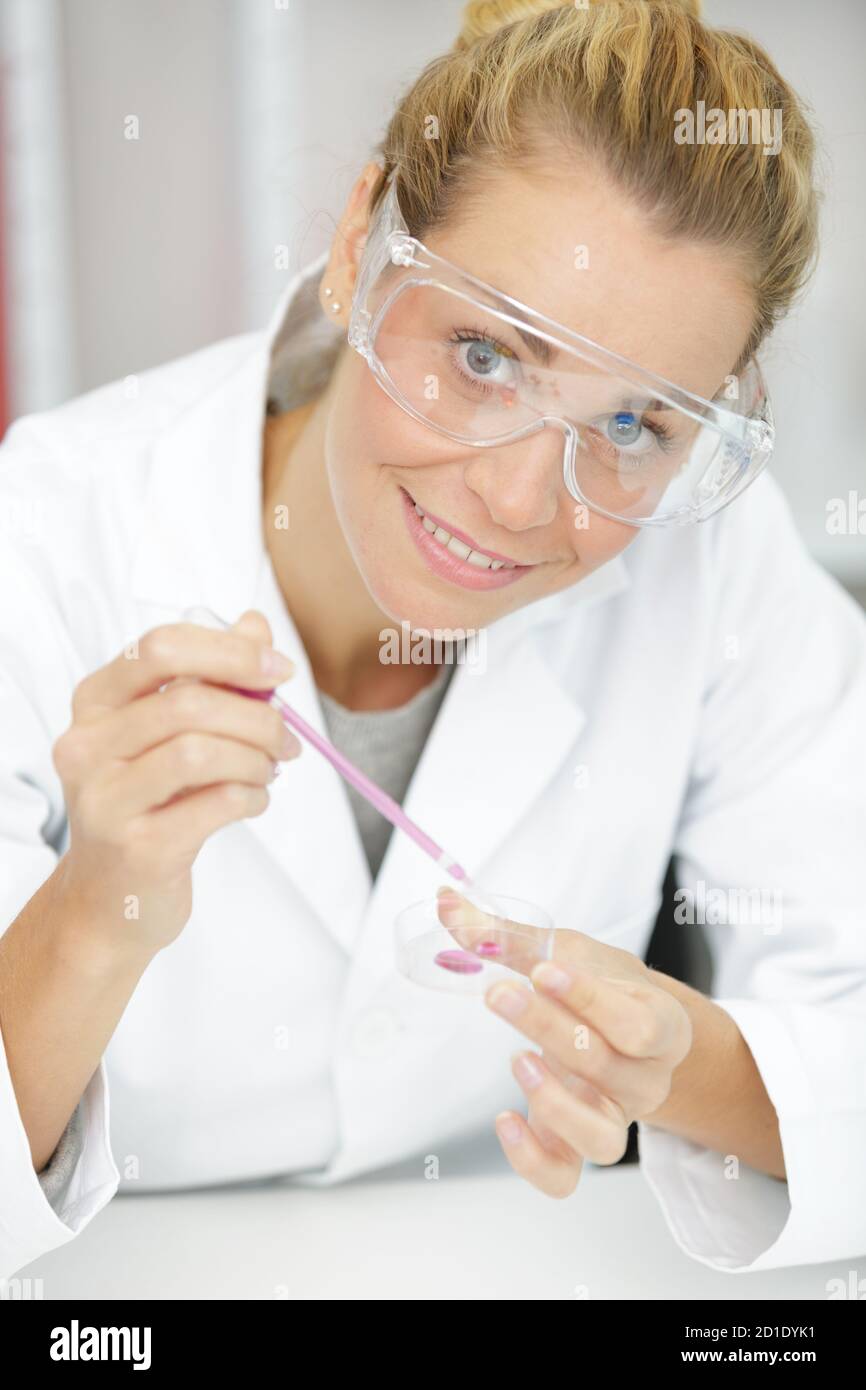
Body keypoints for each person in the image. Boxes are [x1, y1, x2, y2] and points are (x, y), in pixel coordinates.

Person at [1, 0, 864, 1283]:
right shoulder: (50, 528)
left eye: (634, 425)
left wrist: (686, 1068)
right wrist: (94, 910)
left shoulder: (708, 563)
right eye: (481, 354)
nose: (519, 502)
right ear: (359, 243)